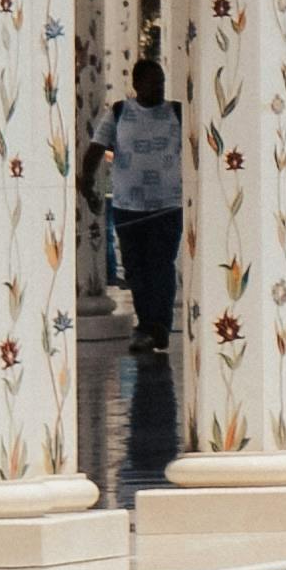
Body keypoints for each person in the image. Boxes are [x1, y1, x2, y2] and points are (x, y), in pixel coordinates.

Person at [103, 47, 184, 356]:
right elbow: (98, 145)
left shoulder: (177, 112)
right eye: (153, 83)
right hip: (128, 208)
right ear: (137, 85)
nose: (159, 88)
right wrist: (85, 180)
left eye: (162, 82)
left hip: (167, 206)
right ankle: (147, 325)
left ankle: (157, 327)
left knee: (161, 267)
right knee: (136, 270)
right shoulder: (119, 112)